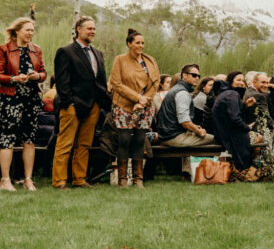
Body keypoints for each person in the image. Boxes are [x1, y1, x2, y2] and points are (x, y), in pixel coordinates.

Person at [52, 16, 110, 189]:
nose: (92, 31)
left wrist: (102, 102)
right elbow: (62, 82)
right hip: (72, 105)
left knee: (84, 144)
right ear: (78, 29)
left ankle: (79, 179)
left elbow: (100, 80)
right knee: (65, 143)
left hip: (94, 105)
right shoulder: (65, 51)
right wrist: (68, 102)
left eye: (94, 29)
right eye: (89, 28)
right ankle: (59, 181)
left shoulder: (97, 53)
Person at [107, 28, 160, 188]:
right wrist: (137, 98)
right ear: (129, 44)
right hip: (124, 105)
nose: (141, 46)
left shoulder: (150, 60)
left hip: (145, 106)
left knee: (139, 140)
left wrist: (144, 101)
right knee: (124, 140)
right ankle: (123, 179)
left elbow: (155, 81)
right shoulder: (120, 60)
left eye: (143, 43)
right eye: (137, 42)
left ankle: (138, 179)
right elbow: (116, 83)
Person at [0, 17, 47, 191]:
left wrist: (37, 76)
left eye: (32, 30)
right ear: (17, 31)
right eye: (27, 30)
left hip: (31, 99)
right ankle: (5, 180)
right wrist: (13, 78)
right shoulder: (4, 50)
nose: (30, 33)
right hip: (11, 99)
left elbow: (43, 73)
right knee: (7, 139)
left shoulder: (36, 50)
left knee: (29, 139)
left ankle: (28, 179)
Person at [156, 64, 214, 177]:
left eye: (198, 75)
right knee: (213, 139)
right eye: (194, 75)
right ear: (184, 76)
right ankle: (207, 174)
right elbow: (185, 122)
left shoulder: (175, 90)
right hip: (173, 137)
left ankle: (188, 172)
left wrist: (194, 128)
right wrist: (198, 132)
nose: (197, 78)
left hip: (167, 135)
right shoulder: (182, 93)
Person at [212, 71, 260, 179]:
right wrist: (247, 127)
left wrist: (245, 106)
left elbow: (231, 114)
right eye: (238, 80)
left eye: (243, 80)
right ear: (230, 81)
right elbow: (234, 119)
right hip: (229, 137)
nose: (242, 83)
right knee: (259, 139)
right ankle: (248, 169)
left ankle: (246, 169)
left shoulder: (226, 93)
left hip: (223, 134)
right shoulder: (232, 94)